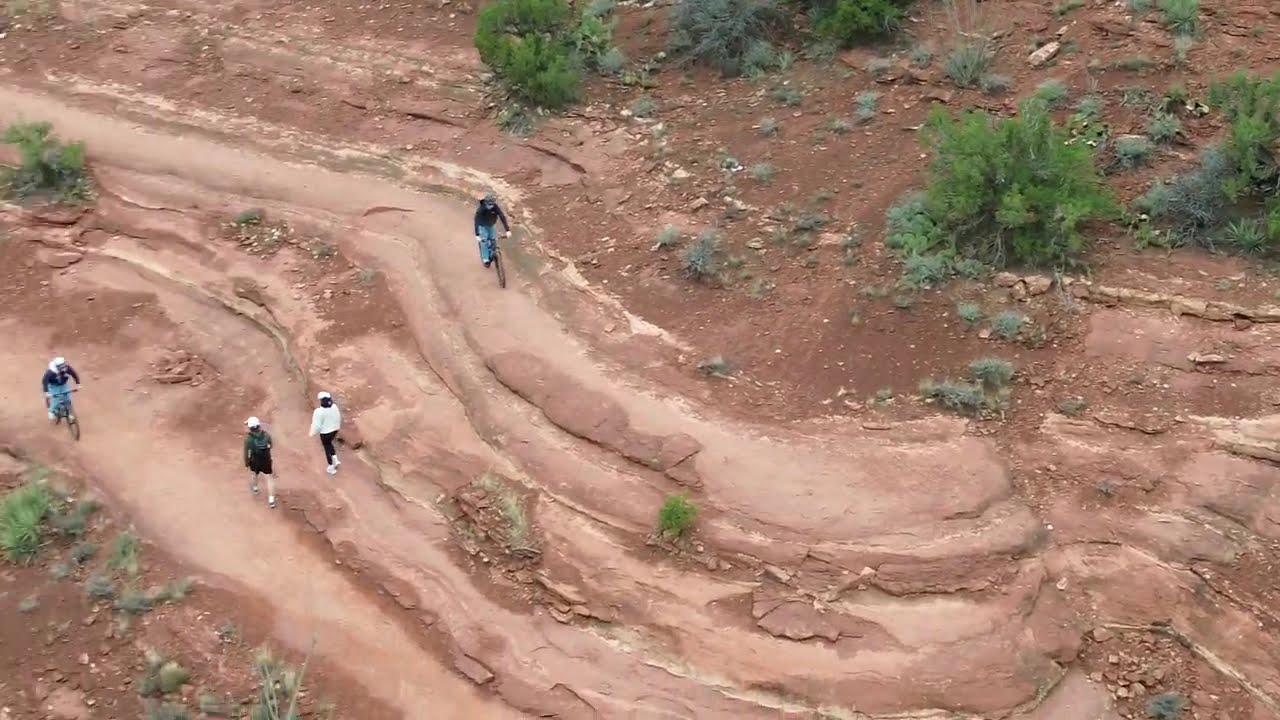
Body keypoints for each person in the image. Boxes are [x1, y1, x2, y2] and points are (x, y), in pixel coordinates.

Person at [243, 417, 277, 509]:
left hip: (255, 461)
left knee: (254, 474)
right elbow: (271, 445)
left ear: (250, 428)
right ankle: (271, 500)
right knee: (269, 478)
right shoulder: (266, 435)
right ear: (259, 426)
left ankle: (255, 488)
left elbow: (247, 453)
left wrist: (247, 463)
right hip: (266, 460)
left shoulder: (248, 439)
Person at [473, 192, 511, 268]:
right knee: (484, 241)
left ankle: (492, 253)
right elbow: (476, 221)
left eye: (492, 204)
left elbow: (502, 216)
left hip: (491, 225)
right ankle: (485, 259)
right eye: (489, 204)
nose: (491, 206)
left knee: (493, 239)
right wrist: (477, 234)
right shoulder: (481, 209)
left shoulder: (495, 207)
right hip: (482, 226)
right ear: (485, 203)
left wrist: (507, 230)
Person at [309, 391, 342, 475]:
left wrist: (312, 433)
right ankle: (335, 460)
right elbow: (338, 417)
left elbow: (317, 425)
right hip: (334, 430)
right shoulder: (334, 407)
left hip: (325, 433)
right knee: (330, 444)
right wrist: (337, 427)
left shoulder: (319, 411)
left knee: (327, 447)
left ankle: (331, 467)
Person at [41, 356, 81, 422]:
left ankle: (69, 413)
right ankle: (51, 411)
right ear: (57, 366)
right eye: (61, 367)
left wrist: (78, 384)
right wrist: (46, 392)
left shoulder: (66, 368)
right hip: (54, 386)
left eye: (64, 365)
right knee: (56, 400)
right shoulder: (50, 372)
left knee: (68, 399)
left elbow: (74, 374)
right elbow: (45, 381)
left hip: (63, 384)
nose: (63, 368)